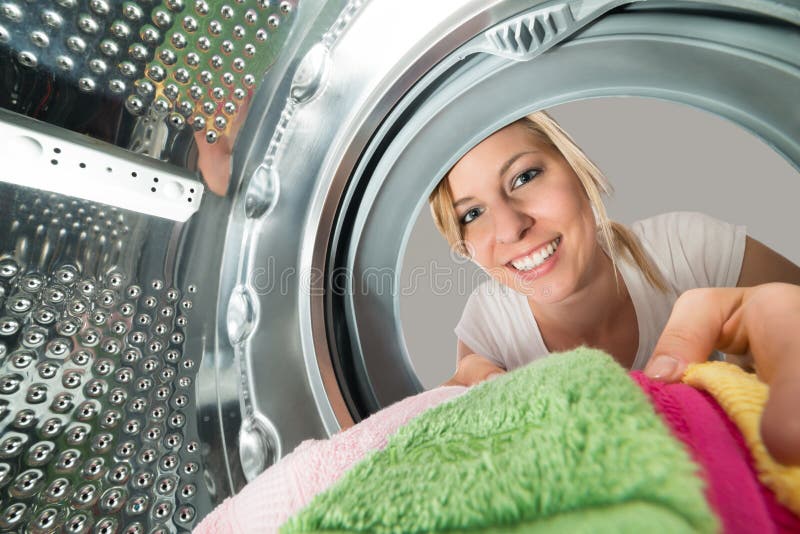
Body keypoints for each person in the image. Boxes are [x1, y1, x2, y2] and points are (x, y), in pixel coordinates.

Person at [428, 111, 800, 464]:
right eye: (472, 214)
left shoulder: (690, 249)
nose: (511, 228)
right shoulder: (488, 324)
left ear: (576, 168)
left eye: (525, 177)